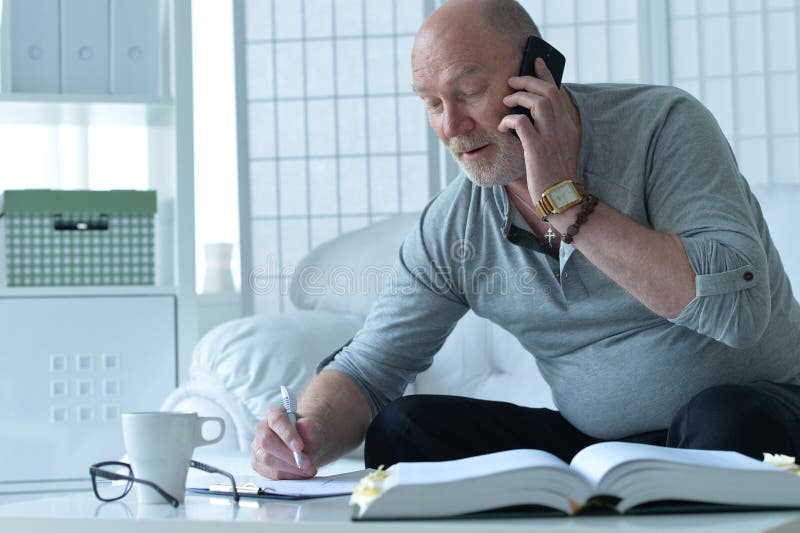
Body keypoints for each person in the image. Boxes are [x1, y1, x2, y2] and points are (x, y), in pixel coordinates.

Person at [251, 0, 800, 480]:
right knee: (404, 430)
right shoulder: (453, 226)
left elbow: (738, 312)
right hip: (598, 451)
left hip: (753, 414)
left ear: (537, 75)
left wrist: (566, 201)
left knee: (725, 419)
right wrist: (308, 435)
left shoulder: (662, 126)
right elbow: (369, 370)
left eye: (468, 91)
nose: (451, 126)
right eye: (432, 103)